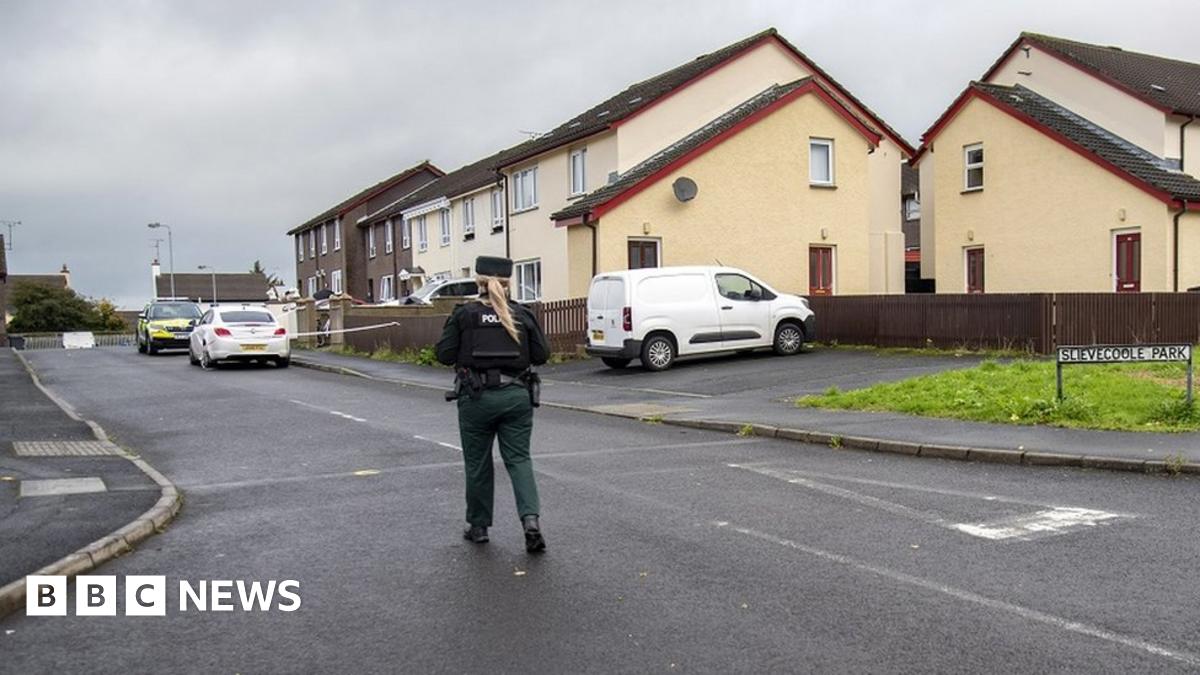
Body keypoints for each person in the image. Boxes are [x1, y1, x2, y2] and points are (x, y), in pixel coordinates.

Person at [435, 256, 550, 553]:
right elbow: (541, 355)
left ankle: (478, 526)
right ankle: (531, 523)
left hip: (476, 398)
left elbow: (444, 355)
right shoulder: (522, 315)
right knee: (519, 460)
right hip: (516, 397)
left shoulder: (464, 315)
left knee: (478, 464)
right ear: (509, 283)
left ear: (478, 282)